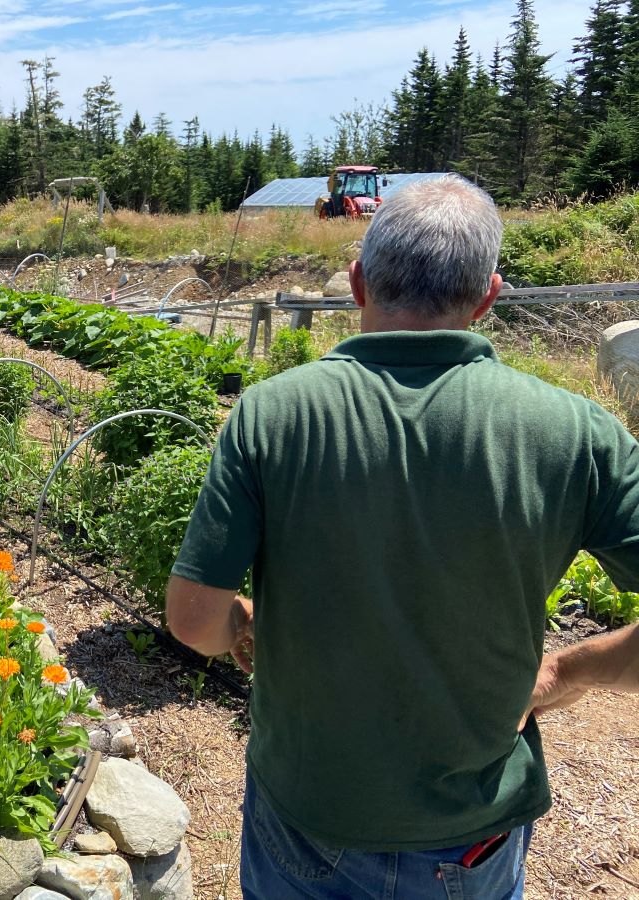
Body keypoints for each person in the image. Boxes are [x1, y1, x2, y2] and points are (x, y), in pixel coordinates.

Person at [165, 174, 639, 899]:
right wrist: (565, 675)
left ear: (357, 283)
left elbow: (194, 621)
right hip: (469, 835)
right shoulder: (578, 434)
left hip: (307, 815)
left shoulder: (271, 416)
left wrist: (240, 624)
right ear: (488, 296)